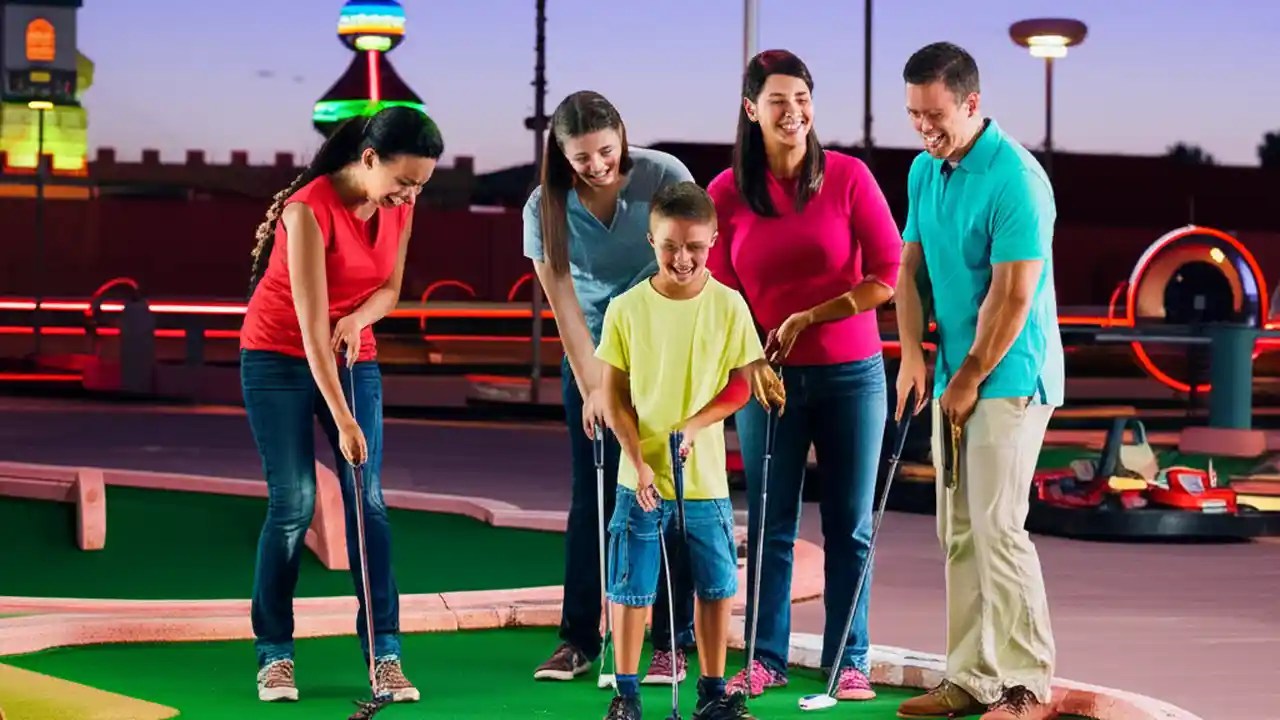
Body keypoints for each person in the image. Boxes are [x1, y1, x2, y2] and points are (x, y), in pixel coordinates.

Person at [706, 50, 903, 702]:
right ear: (751, 109)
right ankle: (766, 659)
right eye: (778, 101)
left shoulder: (847, 177)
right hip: (766, 384)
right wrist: (752, 359)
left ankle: (850, 658)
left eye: (802, 99)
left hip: (852, 376)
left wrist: (809, 316)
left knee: (850, 524)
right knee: (770, 524)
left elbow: (886, 275)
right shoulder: (725, 193)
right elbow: (723, 295)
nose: (793, 112)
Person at [239, 106, 443, 704]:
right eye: (404, 181)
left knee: (368, 503)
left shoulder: (400, 205)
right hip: (277, 356)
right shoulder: (307, 210)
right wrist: (345, 418)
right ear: (370, 159)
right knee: (294, 503)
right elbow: (308, 327)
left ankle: (385, 656)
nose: (410, 195)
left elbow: (391, 290)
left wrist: (359, 317)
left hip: (354, 351)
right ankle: (274, 655)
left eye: (421, 186)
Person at [893, 42, 1064, 720]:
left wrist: (966, 378)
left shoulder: (1016, 178)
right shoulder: (923, 170)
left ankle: (1027, 687)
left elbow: (1013, 296)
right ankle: (971, 677)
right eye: (913, 115)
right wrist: (911, 353)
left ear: (972, 104)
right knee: (957, 533)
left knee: (997, 528)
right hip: (952, 375)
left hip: (1011, 374)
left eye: (935, 115)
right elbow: (909, 271)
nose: (924, 128)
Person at [524, 90, 712, 684]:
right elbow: (563, 303)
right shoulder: (544, 206)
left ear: (622, 136)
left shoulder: (664, 175)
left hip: (667, 356)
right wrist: (593, 389)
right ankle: (578, 638)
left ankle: (672, 640)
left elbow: (696, 263)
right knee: (596, 499)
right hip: (597, 360)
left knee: (671, 493)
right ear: (561, 154)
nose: (597, 165)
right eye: (582, 158)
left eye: (606, 151)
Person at [597, 181, 768, 720]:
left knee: (716, 587)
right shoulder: (625, 310)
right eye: (670, 245)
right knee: (631, 588)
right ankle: (627, 697)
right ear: (651, 239)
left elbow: (742, 384)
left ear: (713, 241)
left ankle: (713, 693)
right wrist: (639, 459)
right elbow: (614, 397)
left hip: (707, 482)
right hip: (639, 478)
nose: (683, 257)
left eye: (695, 245)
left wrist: (695, 426)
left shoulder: (729, 305)